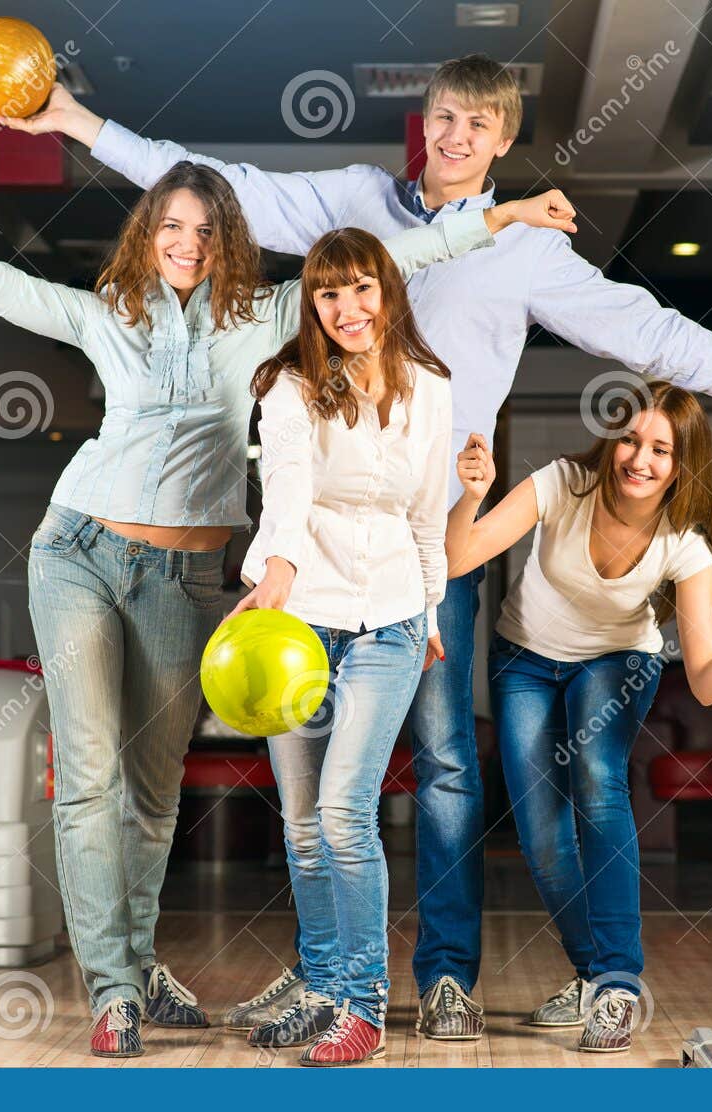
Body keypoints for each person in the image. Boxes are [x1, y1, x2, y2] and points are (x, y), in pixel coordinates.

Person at [5, 54, 712, 1040]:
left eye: (478, 125)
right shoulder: (360, 203)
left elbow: (648, 331)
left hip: (433, 533)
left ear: (503, 141)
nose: (456, 136)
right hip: (317, 529)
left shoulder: (526, 253)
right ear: (425, 122)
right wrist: (74, 121)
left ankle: (444, 974)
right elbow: (224, 188)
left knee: (446, 756)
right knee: (304, 761)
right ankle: (325, 972)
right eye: (444, 117)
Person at [0, 169, 573, 1059]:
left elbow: (400, 258)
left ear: (227, 238)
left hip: (188, 575)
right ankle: (113, 991)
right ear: (145, 235)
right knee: (86, 777)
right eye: (169, 226)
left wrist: (506, 215)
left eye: (203, 229)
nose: (185, 243)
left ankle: (143, 963)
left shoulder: (270, 318)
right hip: (77, 549)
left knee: (154, 791)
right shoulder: (102, 313)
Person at [446, 381, 712, 1052]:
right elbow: (458, 558)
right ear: (610, 437)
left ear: (683, 464)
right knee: (539, 834)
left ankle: (617, 984)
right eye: (629, 439)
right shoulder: (565, 484)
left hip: (617, 663)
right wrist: (472, 496)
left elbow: (706, 682)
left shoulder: (686, 545)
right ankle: (593, 974)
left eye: (660, 449)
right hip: (525, 659)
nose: (638, 460)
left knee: (597, 775)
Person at [232, 223, 506, 1066]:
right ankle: (320, 988)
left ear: (387, 291)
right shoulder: (288, 386)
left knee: (346, 813)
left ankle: (363, 1005)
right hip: (298, 618)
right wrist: (276, 573)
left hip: (390, 620)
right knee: (304, 825)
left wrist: (427, 615)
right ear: (313, 305)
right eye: (328, 293)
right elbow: (286, 488)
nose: (347, 308)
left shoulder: (430, 387)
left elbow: (427, 517)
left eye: (360, 288)